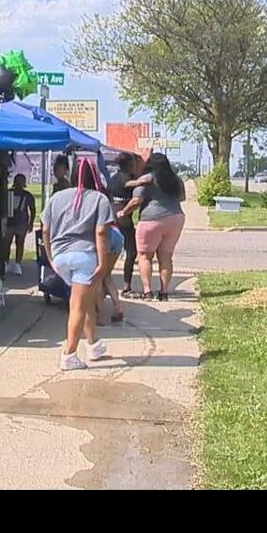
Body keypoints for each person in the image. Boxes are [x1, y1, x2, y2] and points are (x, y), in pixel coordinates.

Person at [40, 157, 115, 371]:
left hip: (60, 256)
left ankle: (93, 344)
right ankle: (69, 354)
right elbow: (101, 232)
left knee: (85, 301)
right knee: (78, 306)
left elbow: (45, 229)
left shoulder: (57, 197)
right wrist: (102, 263)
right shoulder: (99, 199)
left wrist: (51, 258)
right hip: (85, 256)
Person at [119, 152, 186, 301]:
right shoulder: (176, 179)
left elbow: (136, 201)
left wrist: (123, 212)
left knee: (145, 256)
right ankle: (163, 292)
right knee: (166, 257)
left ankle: (148, 292)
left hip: (151, 220)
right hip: (176, 218)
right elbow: (181, 198)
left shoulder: (146, 179)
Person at [107, 153, 142, 295]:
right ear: (128, 164)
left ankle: (106, 280)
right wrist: (143, 182)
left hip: (112, 214)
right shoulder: (124, 177)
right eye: (134, 162)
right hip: (123, 217)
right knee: (131, 251)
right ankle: (127, 284)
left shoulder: (113, 177)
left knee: (110, 251)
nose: (135, 165)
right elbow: (127, 184)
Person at [5, 174, 36, 276]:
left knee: (20, 243)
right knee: (7, 243)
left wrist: (31, 223)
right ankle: (6, 262)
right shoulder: (8, 193)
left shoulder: (28, 195)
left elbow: (32, 209)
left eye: (21, 181)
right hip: (9, 223)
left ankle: (18, 263)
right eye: (17, 181)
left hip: (22, 223)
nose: (19, 184)